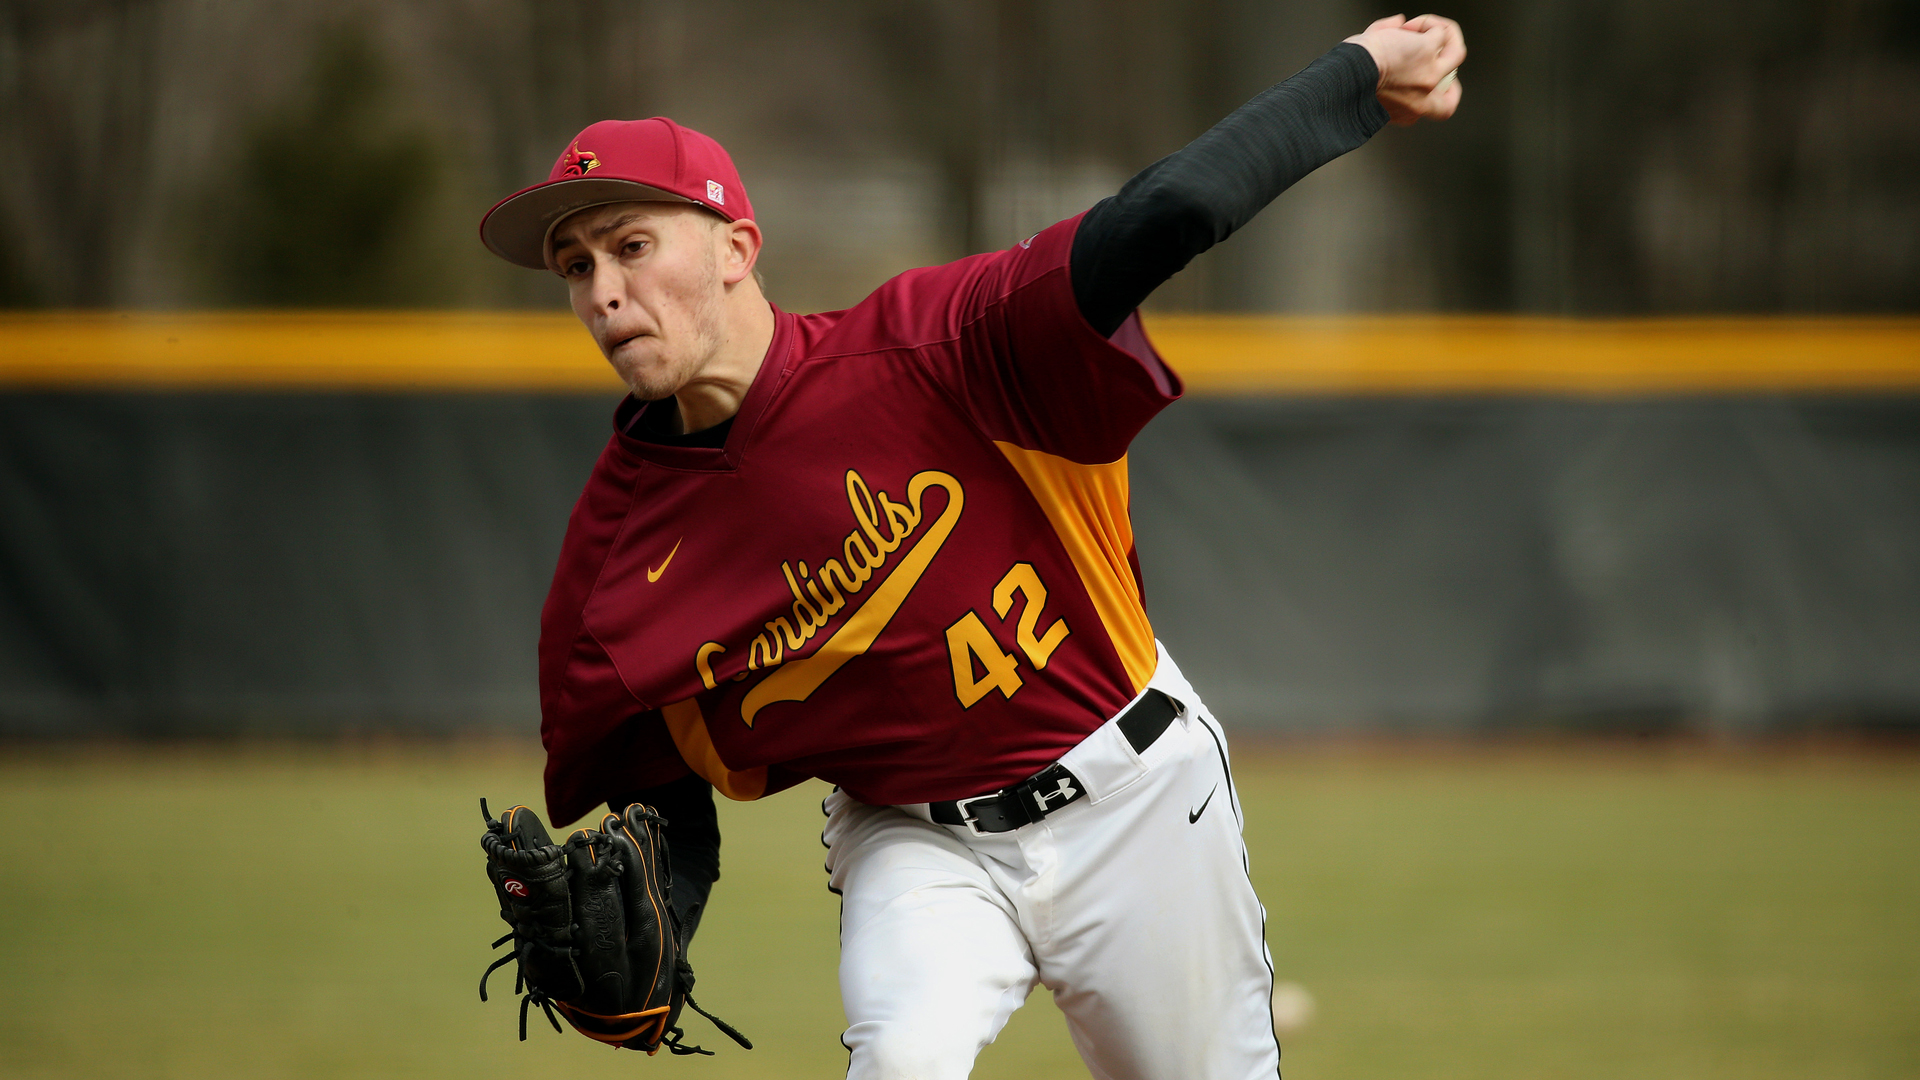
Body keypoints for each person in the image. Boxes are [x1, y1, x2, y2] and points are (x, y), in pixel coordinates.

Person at [478, 14, 1464, 1079]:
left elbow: (1169, 209)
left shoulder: (932, 345)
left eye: (631, 245)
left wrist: (1358, 75)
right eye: (575, 267)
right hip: (914, 843)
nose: (603, 292)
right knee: (901, 1061)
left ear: (735, 249)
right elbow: (653, 766)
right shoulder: (615, 561)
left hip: (1133, 798)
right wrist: (671, 894)